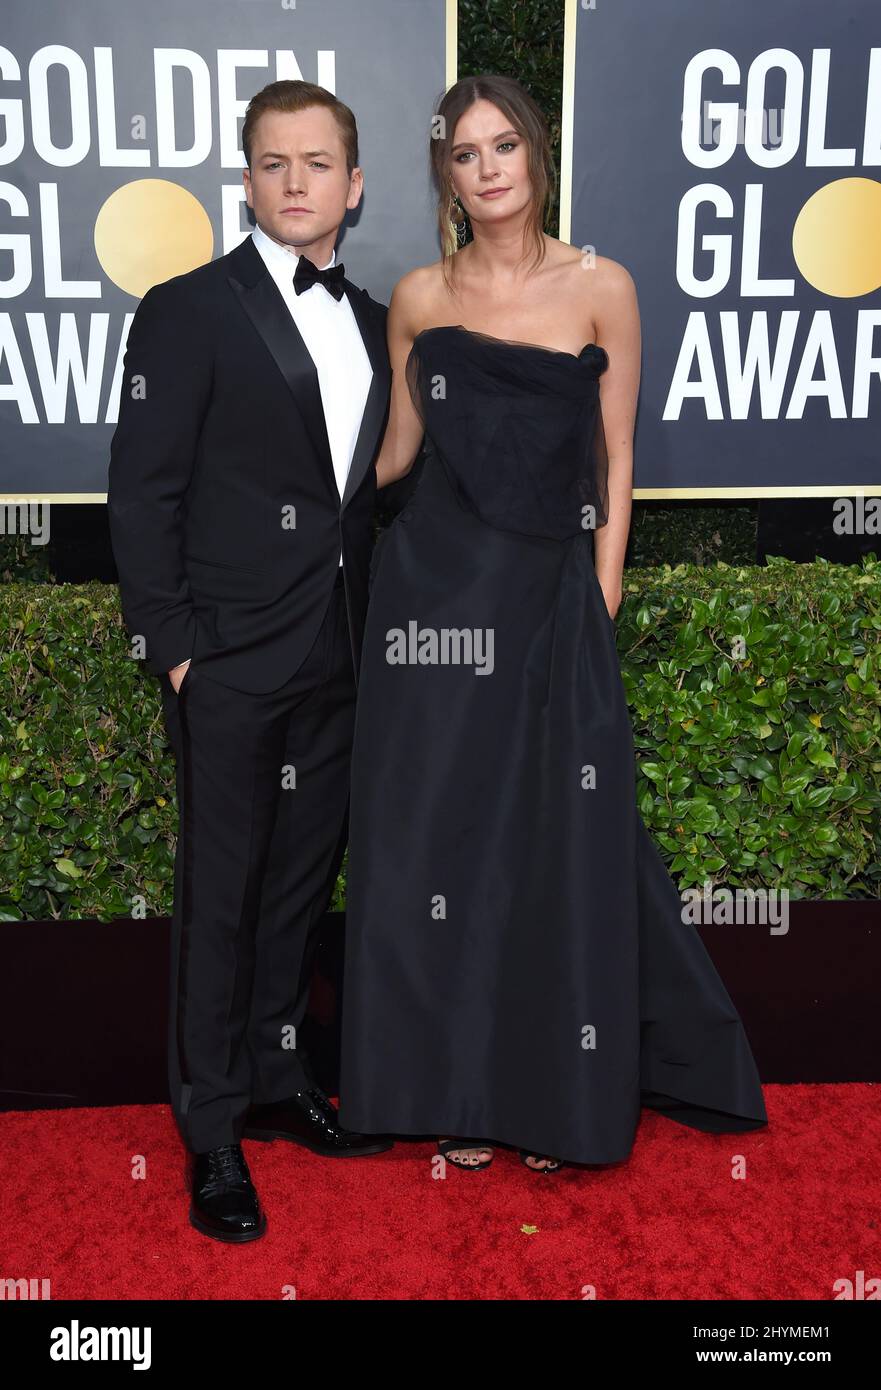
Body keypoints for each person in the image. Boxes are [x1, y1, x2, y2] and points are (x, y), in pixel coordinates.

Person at [337, 74, 768, 1173]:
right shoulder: (418, 297)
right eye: (463, 154)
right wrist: (278, 484)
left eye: (502, 147)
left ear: (536, 153)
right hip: (431, 603)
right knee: (439, 839)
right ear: (444, 174)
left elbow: (615, 453)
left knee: (546, 840)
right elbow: (394, 455)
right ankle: (453, 1091)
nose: (486, 169)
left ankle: (547, 1092)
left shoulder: (601, 286)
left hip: (546, 595)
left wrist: (600, 589)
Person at [108, 80, 393, 1243]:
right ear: (246, 180)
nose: (294, 182)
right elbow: (143, 494)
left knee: (295, 888)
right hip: (226, 663)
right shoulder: (187, 310)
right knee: (220, 899)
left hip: (339, 657)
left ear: (353, 185)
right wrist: (177, 653)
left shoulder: (374, 322)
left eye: (317, 164)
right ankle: (212, 1128)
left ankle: (278, 1078)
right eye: (273, 163)